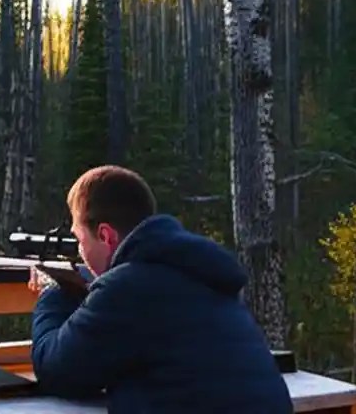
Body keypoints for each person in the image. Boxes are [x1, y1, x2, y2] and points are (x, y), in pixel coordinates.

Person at [28, 165, 293, 413]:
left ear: (106, 236)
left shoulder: (126, 289)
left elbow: (56, 370)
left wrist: (52, 289)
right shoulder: (201, 275)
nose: (79, 251)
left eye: (80, 239)